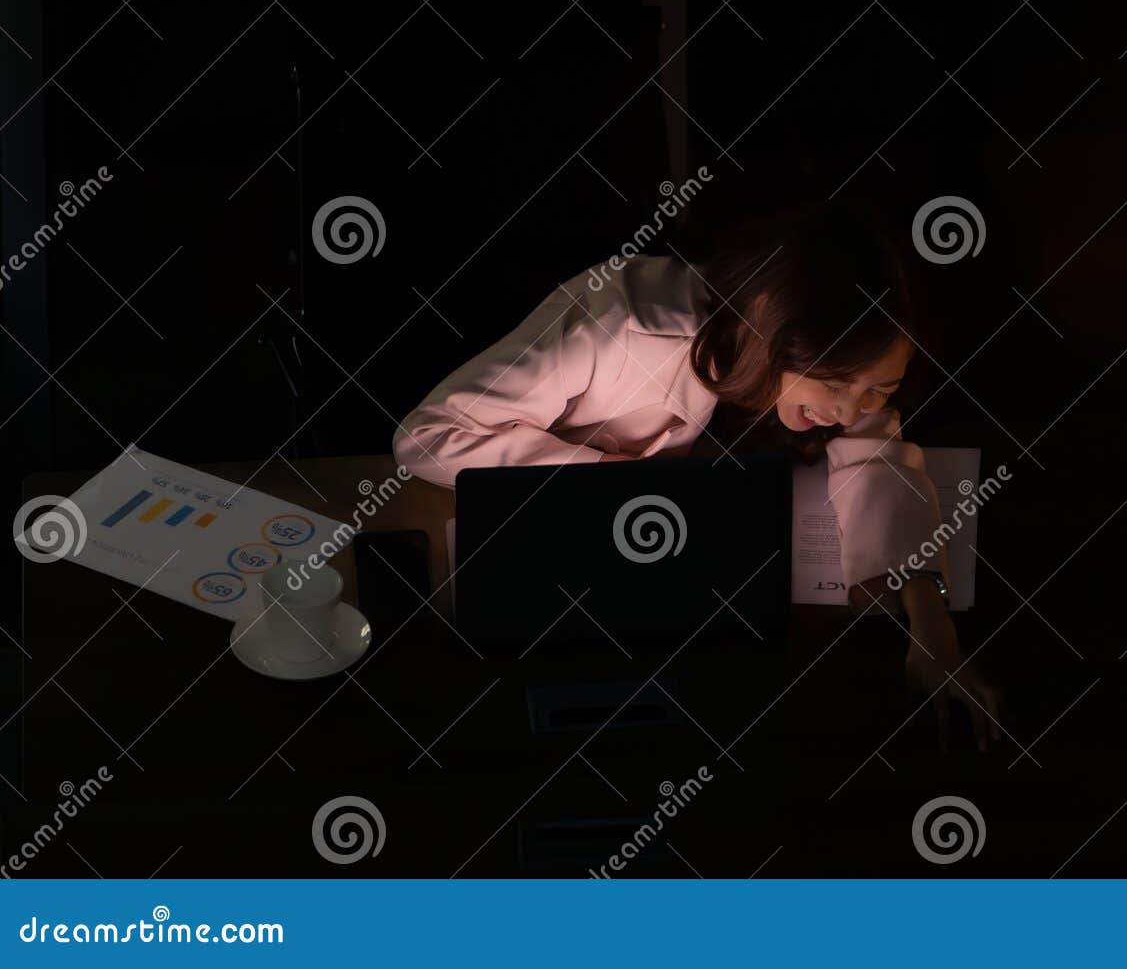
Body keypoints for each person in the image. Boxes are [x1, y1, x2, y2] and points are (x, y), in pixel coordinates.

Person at [392, 205, 1002, 750]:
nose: (849, 410)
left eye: (880, 388)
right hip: (558, 568)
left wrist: (934, 629)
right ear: (771, 326)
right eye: (836, 385)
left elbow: (875, 454)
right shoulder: (622, 324)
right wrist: (620, 481)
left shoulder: (830, 372)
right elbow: (429, 436)